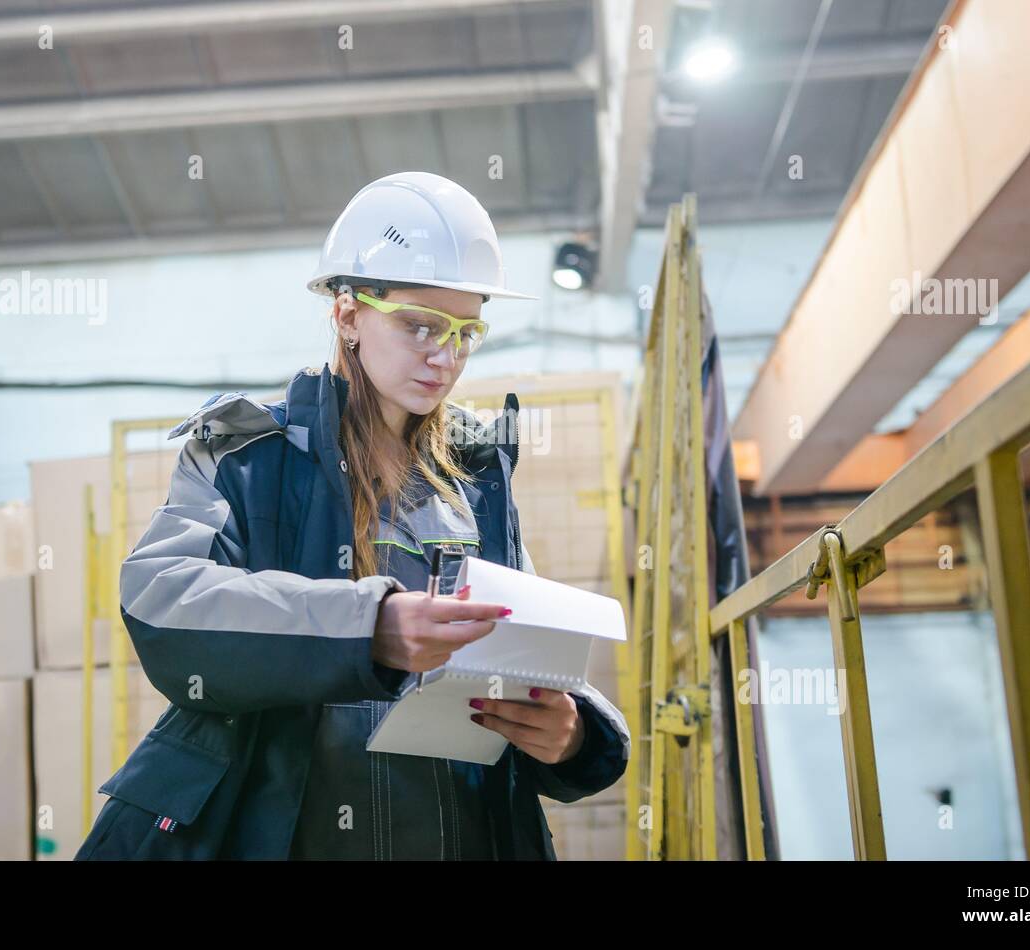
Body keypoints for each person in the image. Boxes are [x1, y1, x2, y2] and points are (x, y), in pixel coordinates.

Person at [75, 171, 629, 861]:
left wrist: (571, 733)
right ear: (347, 315)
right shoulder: (249, 457)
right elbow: (164, 601)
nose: (445, 355)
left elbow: (526, 651)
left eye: (466, 331)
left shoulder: (476, 480)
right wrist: (368, 628)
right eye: (421, 325)